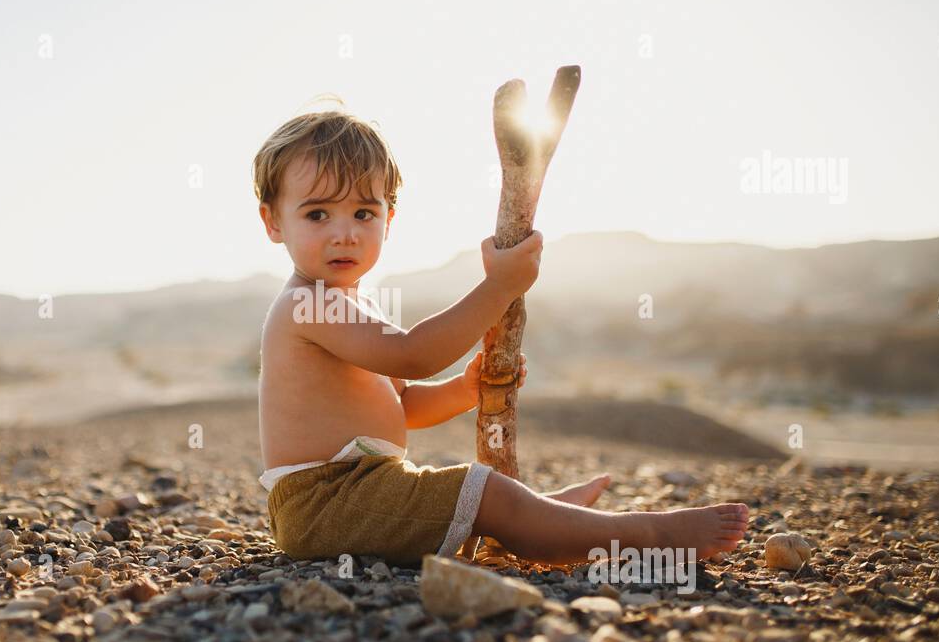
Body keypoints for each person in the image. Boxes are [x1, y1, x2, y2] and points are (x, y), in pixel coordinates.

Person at [253, 107, 749, 568]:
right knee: (485, 491)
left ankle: (536, 517)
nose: (345, 233)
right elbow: (414, 355)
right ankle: (648, 538)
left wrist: (464, 391)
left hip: (360, 491)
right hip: (325, 504)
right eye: (318, 214)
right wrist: (500, 287)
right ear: (274, 221)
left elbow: (402, 407)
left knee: (483, 495)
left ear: (389, 217)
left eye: (364, 213)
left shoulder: (349, 304)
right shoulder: (308, 304)